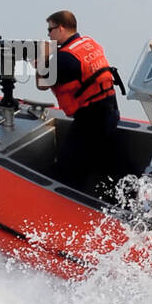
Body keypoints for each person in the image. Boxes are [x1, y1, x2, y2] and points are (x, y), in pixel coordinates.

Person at [45, 10, 123, 194]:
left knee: (68, 166)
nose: (48, 35)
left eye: (50, 30)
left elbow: (42, 83)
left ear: (61, 28)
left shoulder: (63, 58)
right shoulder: (89, 43)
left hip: (91, 119)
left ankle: (66, 206)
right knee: (111, 163)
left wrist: (39, 63)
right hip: (110, 111)